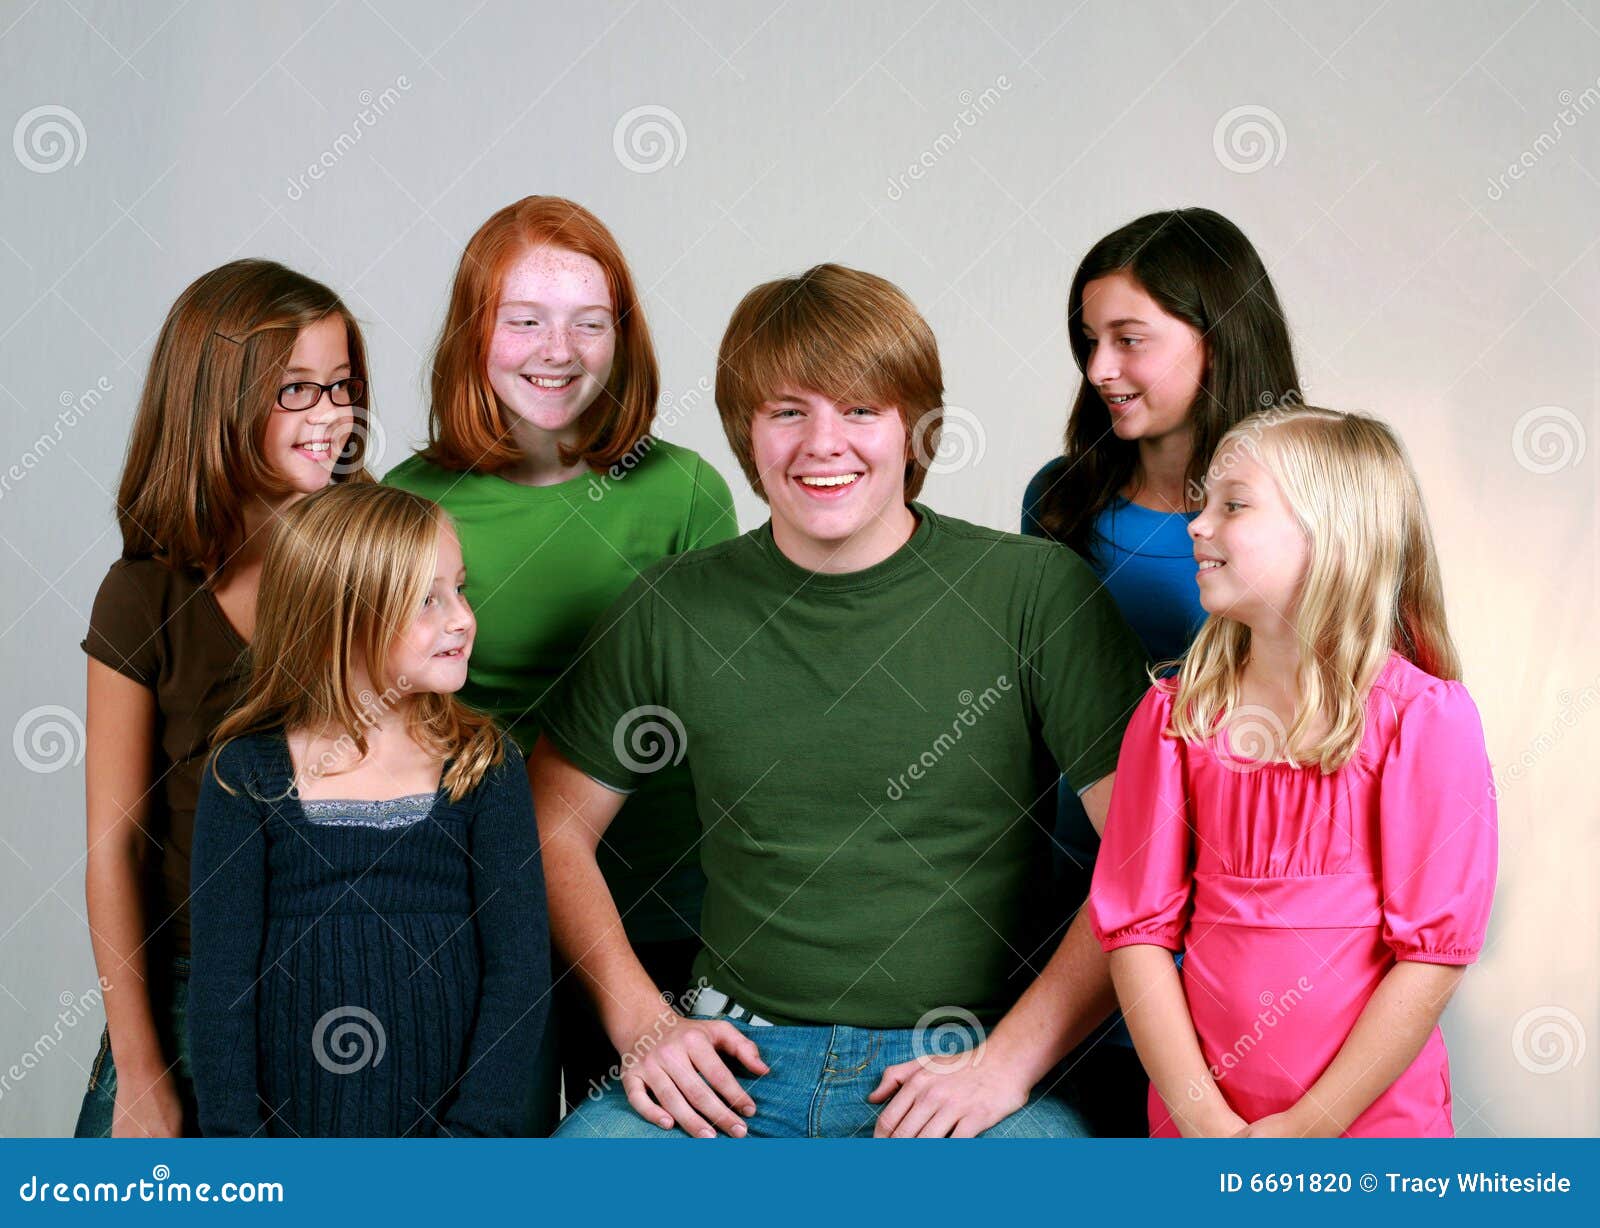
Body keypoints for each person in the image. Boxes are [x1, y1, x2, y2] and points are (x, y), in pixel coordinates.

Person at [534, 263, 1150, 1138]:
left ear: (913, 429)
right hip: (733, 1064)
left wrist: (1008, 1064)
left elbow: (1148, 851)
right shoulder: (671, 606)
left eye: (861, 409)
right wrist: (642, 1023)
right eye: (788, 411)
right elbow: (553, 823)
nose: (824, 443)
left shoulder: (1036, 592)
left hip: (967, 1063)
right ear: (748, 436)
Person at [382, 196, 737, 1125]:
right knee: (486, 1165)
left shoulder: (682, 490)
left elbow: (722, 713)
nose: (559, 350)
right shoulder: (409, 502)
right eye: (525, 320)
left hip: (665, 908)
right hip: (470, 905)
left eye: (590, 323)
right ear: (475, 331)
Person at [1090, 407, 1497, 1137]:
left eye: (1233, 505)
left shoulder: (1423, 719)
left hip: (1372, 1134)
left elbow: (1431, 957)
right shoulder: (1174, 720)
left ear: (1329, 529)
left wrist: (1304, 1128)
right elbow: (1135, 935)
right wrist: (1204, 1121)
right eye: (1202, 503)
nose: (1197, 525)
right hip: (1199, 1132)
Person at [1020, 208, 1303, 1133]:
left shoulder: (1311, 510)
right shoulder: (1060, 503)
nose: (1100, 368)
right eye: (1089, 340)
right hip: (1069, 901)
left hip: (1236, 916)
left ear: (1217, 341)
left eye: (1129, 340)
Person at [76, 260, 373, 1137]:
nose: (331, 416)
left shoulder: (375, 567)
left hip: (342, 993)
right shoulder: (142, 596)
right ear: (218, 400)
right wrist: (139, 1071)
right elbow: (114, 849)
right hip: (186, 993)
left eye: (342, 387)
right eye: (296, 391)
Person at [188, 484, 549, 1137]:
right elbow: (221, 990)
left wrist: (472, 1142)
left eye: (459, 589)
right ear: (338, 616)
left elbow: (519, 974)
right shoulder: (245, 779)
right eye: (427, 600)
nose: (463, 617)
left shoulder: (485, 767)